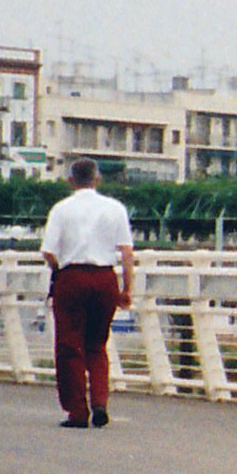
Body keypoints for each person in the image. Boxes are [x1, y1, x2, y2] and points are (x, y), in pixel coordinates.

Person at [40, 159, 137, 430]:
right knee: (97, 343)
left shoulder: (61, 210)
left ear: (71, 180)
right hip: (105, 277)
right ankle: (100, 403)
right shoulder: (115, 208)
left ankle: (77, 411)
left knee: (70, 346)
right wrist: (126, 288)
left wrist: (58, 271)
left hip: (72, 277)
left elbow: (49, 252)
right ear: (97, 179)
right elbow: (127, 253)